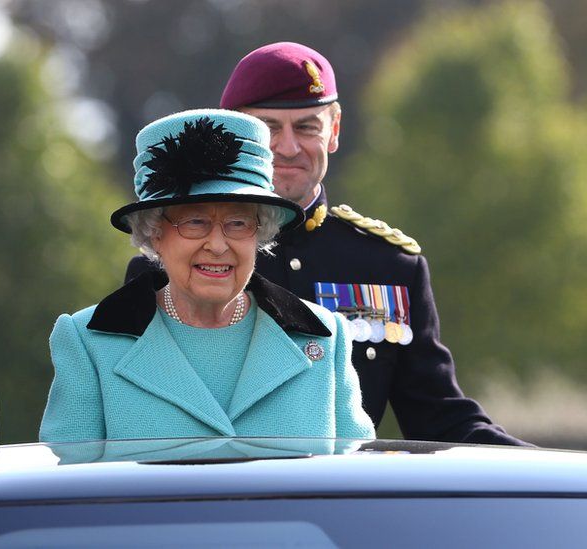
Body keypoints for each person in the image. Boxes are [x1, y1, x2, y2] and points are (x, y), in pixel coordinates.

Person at [126, 42, 525, 445]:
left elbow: (440, 419)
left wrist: (561, 476)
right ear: (235, 139)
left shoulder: (388, 265)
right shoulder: (170, 266)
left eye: (306, 127)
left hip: (335, 501)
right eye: (267, 129)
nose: (288, 147)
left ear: (333, 131)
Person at [40, 109, 375, 442]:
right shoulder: (90, 343)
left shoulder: (324, 338)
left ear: (260, 233)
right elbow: (71, 490)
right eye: (195, 222)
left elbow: (354, 485)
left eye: (238, 223)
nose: (217, 245)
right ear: (155, 232)